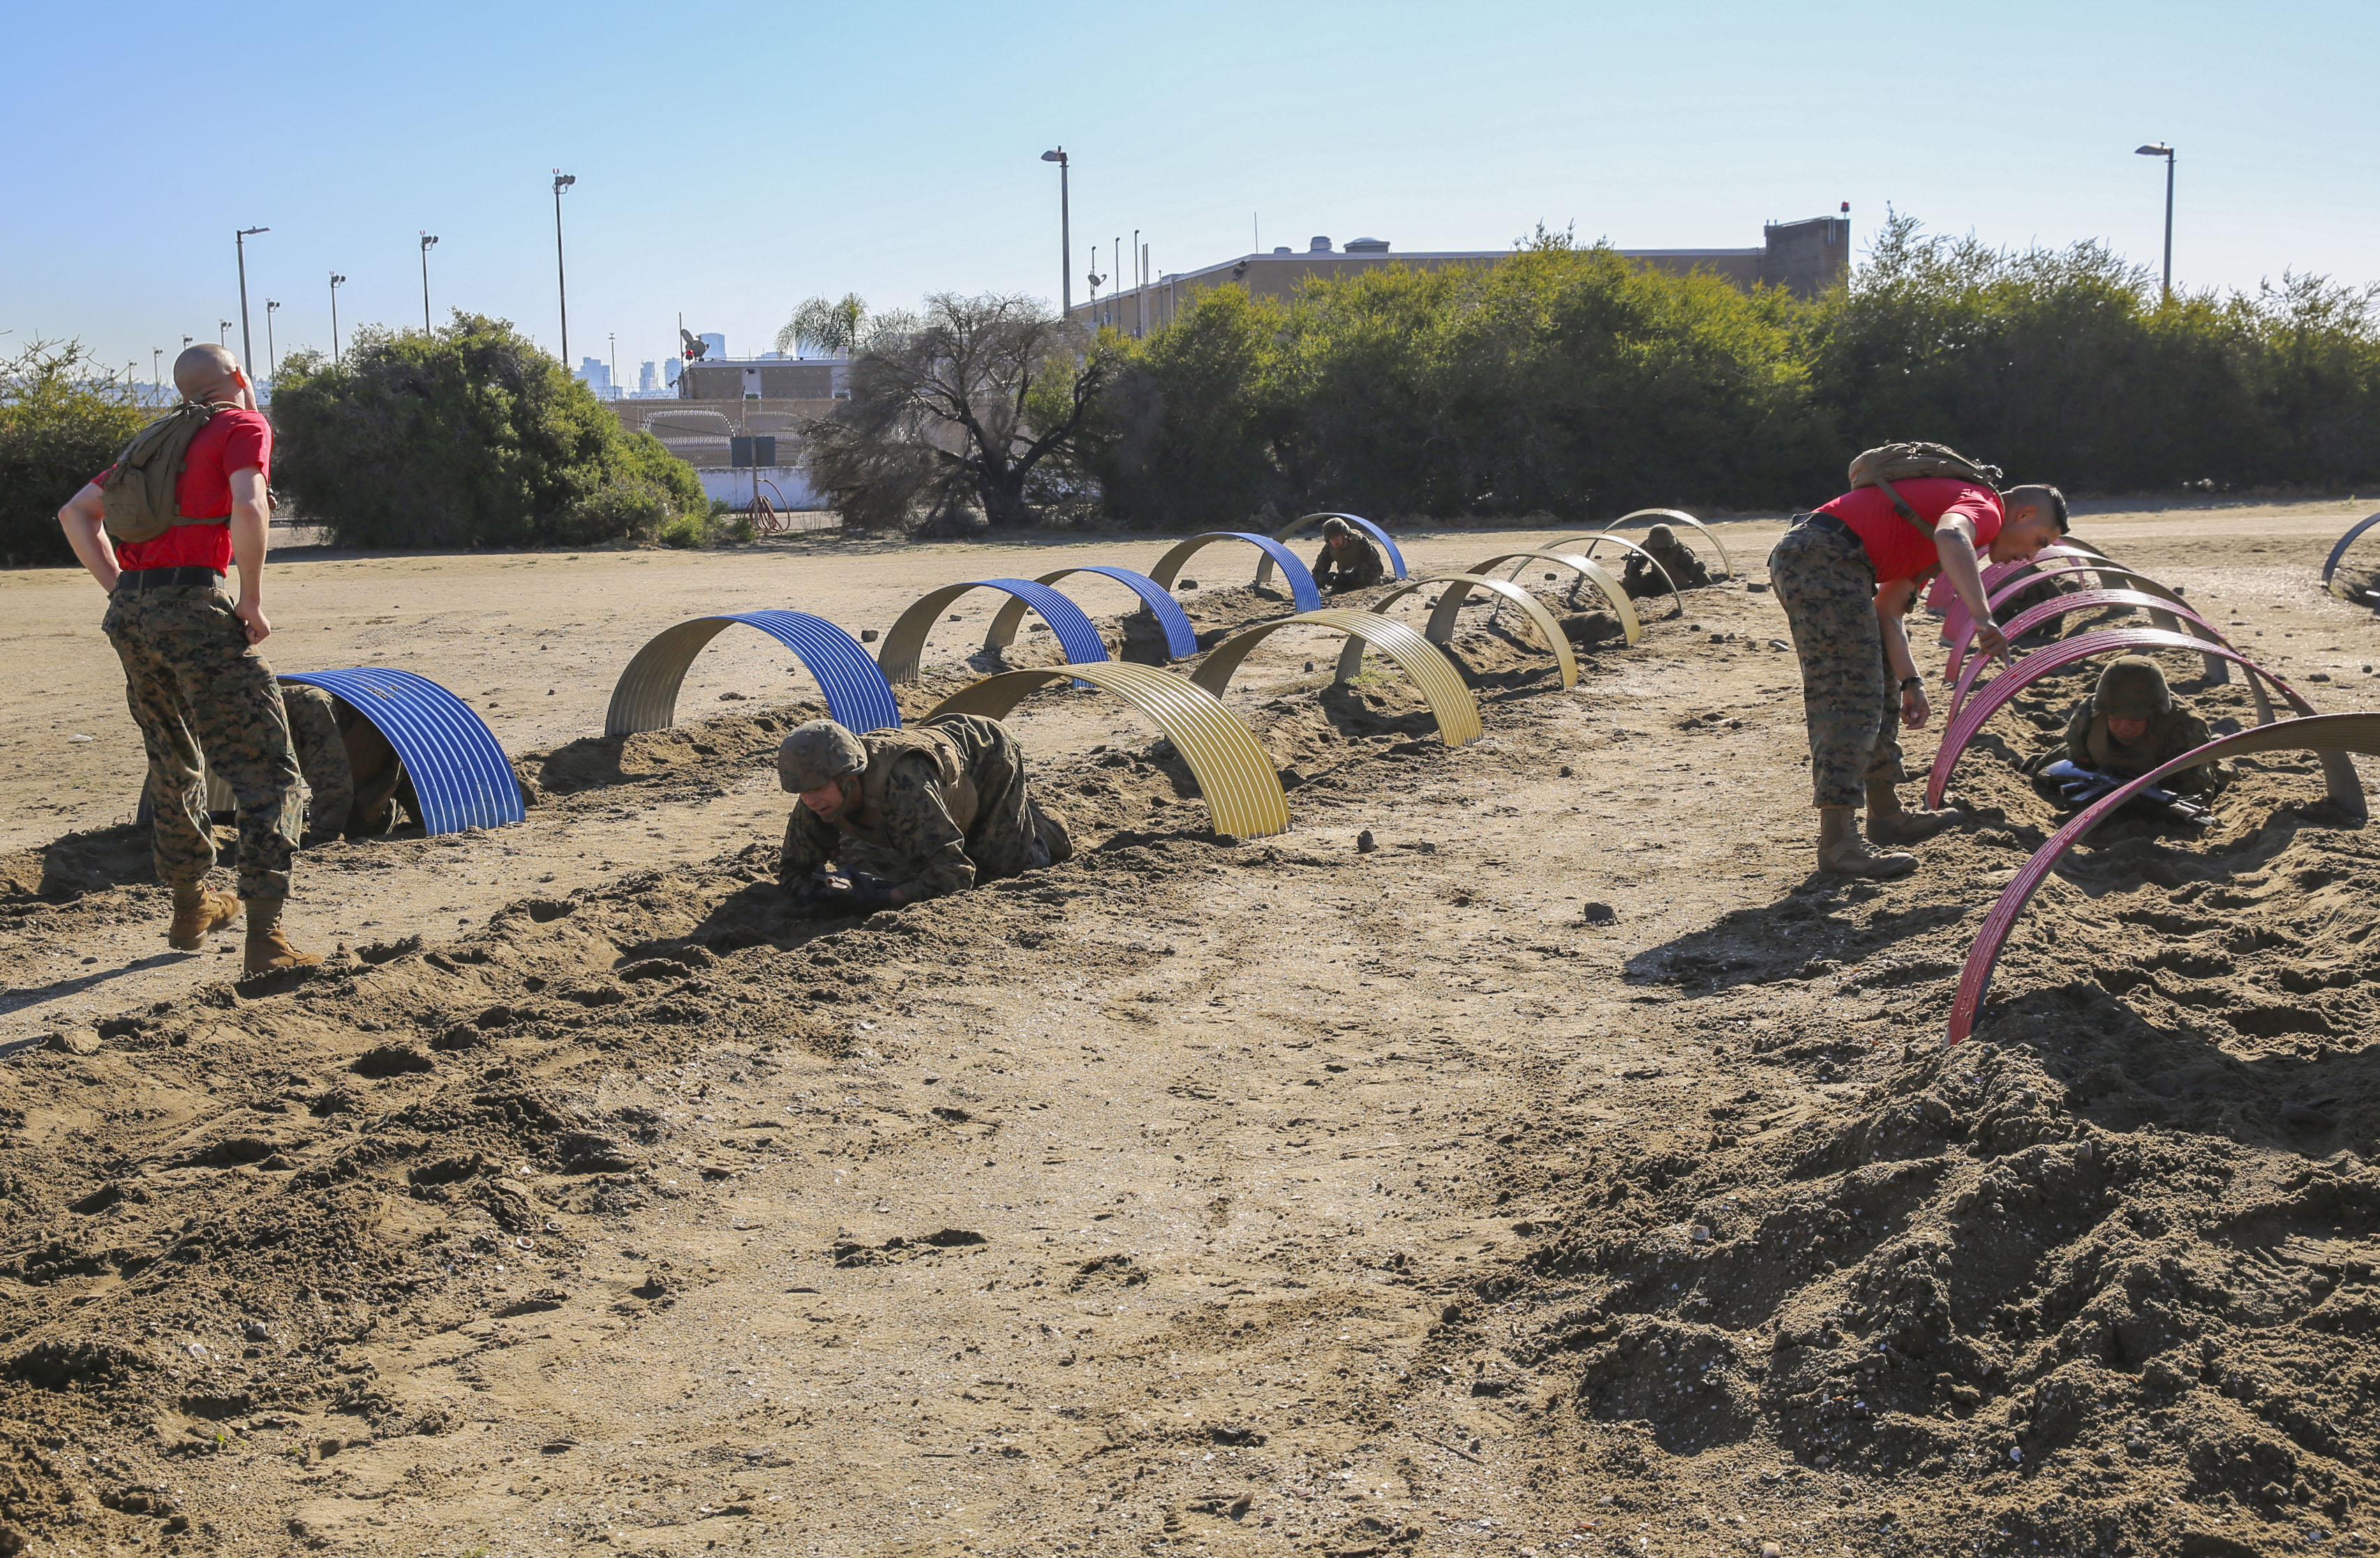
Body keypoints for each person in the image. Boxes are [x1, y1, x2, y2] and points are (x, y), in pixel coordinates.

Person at [54, 345, 316, 973]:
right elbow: (250, 506)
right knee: (271, 774)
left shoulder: (150, 440)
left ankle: (191, 904)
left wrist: (122, 589)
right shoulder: (243, 426)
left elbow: (75, 514)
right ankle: (266, 938)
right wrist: (251, 599)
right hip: (197, 608)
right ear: (239, 380)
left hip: (133, 618)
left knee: (172, 762)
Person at [1770, 475, 2071, 877]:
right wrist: (1983, 619)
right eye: (2040, 541)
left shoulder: (1924, 532)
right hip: (1822, 559)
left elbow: (1887, 612)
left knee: (1878, 683)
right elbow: (1953, 537)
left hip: (1833, 561)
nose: (2032, 556)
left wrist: (1912, 682)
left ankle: (1887, 815)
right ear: (2023, 513)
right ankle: (1838, 845)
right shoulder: (1984, 507)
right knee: (1848, 695)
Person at [776, 715, 1072, 913]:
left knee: (998, 871)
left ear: (848, 778)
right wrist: (822, 893)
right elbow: (793, 868)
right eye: (801, 792)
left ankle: (1037, 828)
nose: (809, 800)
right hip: (933, 780)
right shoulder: (816, 789)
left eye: (817, 789)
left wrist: (882, 898)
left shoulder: (904, 785)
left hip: (986, 755)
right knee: (900, 863)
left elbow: (954, 877)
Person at [2059, 656, 2226, 794]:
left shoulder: (2185, 727)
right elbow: (2077, 762)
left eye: (2136, 718)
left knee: (2219, 766)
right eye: (2115, 717)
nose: (2124, 727)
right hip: (2103, 776)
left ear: (2154, 714)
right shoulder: (2088, 714)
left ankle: (2220, 735)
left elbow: (2195, 790)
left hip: (2166, 786)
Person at [1622, 524, 1711, 597]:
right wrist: (1633, 566)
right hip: (1657, 584)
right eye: (1656, 550)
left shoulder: (1681, 553)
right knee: (1630, 581)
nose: (1660, 554)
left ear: (1671, 546)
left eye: (1663, 550)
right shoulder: (1647, 547)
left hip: (1679, 589)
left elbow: (1700, 574)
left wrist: (1707, 591)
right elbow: (1632, 570)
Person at [1311, 518, 1385, 593]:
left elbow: (1378, 569)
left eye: (1336, 536)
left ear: (1344, 534)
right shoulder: (1329, 548)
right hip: (1344, 584)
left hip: (1367, 584)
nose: (1334, 540)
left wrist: (1356, 576)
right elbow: (1317, 573)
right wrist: (1327, 578)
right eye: (1331, 538)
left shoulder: (1361, 543)